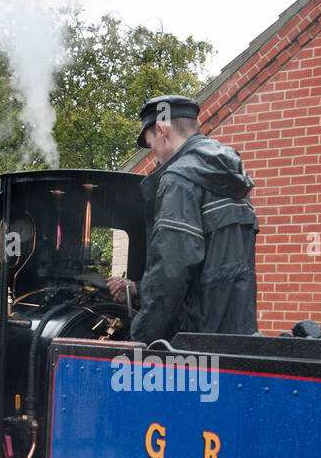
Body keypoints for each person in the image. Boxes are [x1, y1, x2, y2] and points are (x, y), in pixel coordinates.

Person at [108, 95, 258, 342]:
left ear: (162, 129)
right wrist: (138, 287)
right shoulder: (227, 176)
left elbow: (172, 270)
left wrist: (140, 339)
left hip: (192, 342)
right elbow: (209, 265)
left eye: (152, 144)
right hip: (236, 336)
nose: (154, 156)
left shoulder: (179, 179)